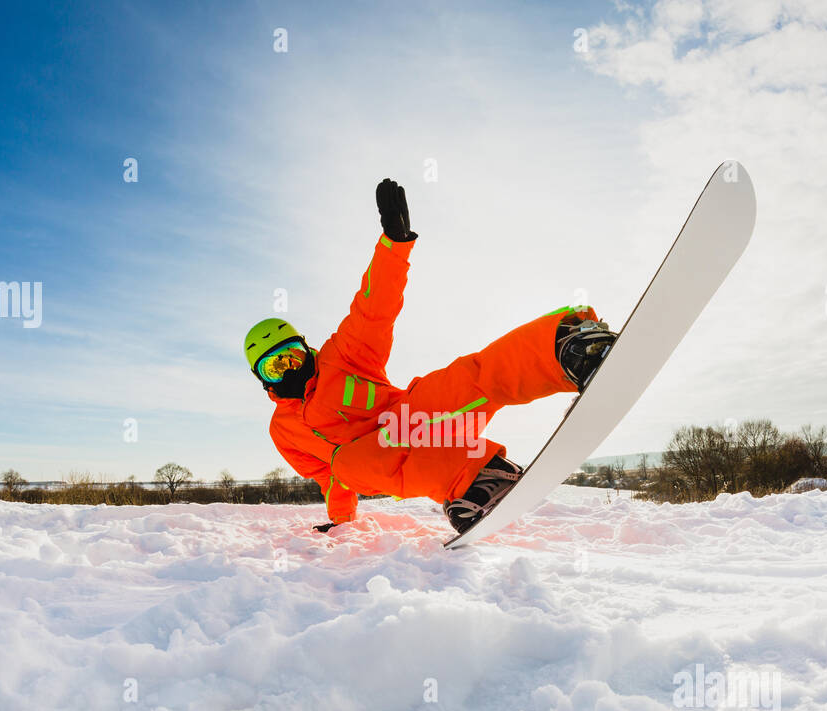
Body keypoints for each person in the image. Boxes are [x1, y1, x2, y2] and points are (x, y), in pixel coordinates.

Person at [244, 178, 617, 534]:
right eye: (276, 366)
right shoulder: (283, 431)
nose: (290, 367)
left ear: (304, 345)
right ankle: (482, 481)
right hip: (387, 463)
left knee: (464, 379)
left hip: (416, 418)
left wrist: (394, 244)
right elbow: (327, 476)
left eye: (291, 354)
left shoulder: (339, 356)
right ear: (263, 379)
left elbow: (374, 310)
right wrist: (341, 520)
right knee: (346, 464)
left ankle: (569, 348)